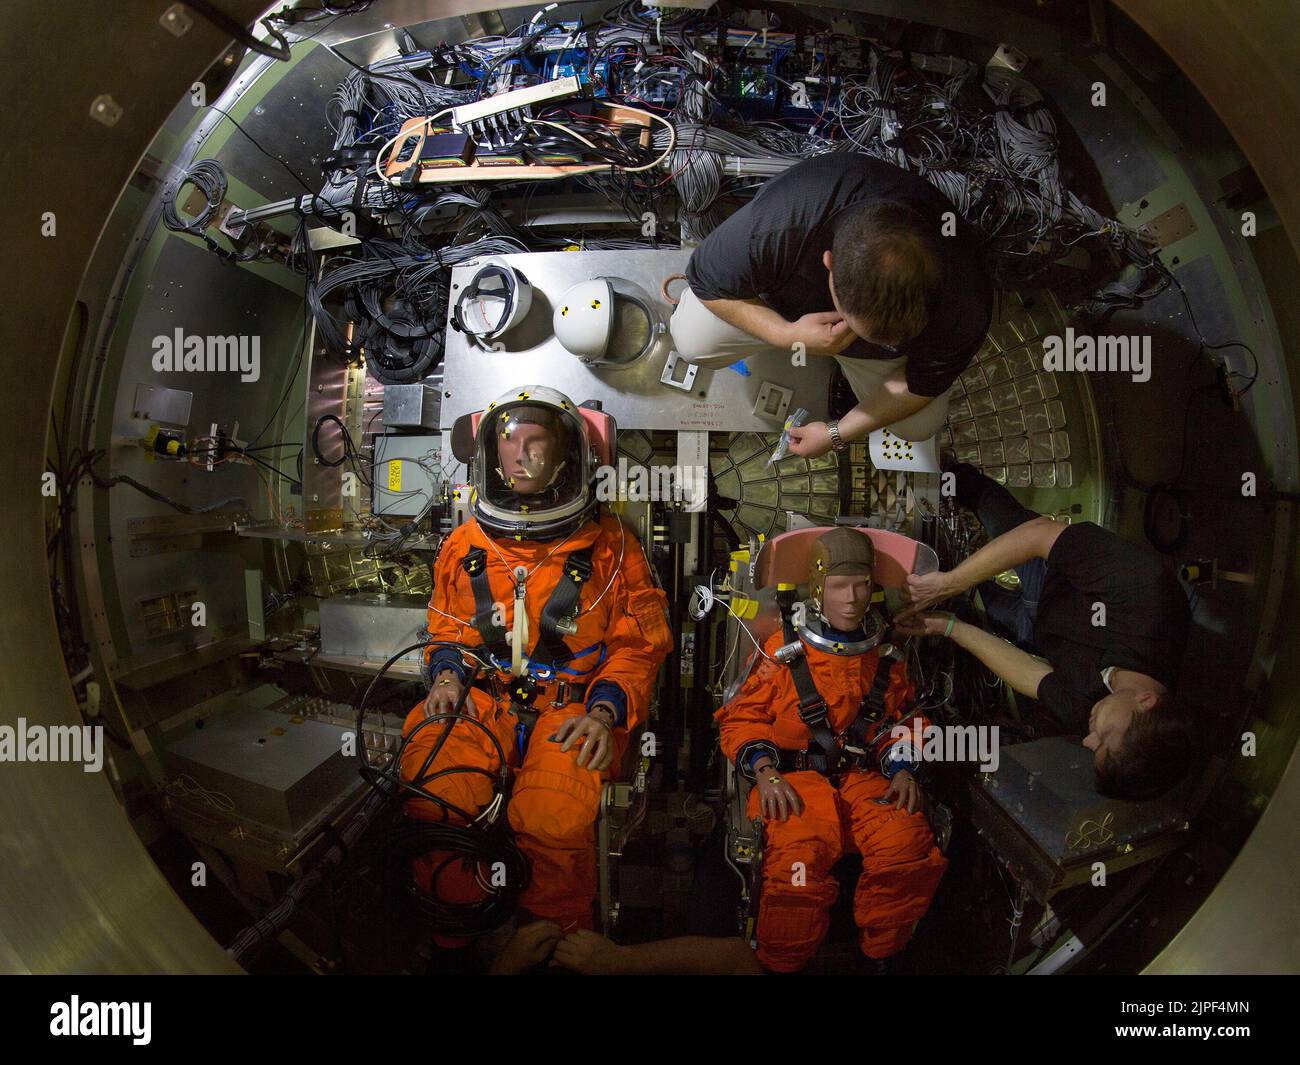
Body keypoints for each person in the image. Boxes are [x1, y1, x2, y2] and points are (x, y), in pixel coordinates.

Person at [398, 386, 673, 933]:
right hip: (482, 701)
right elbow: (447, 629)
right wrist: (448, 676)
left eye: (536, 441)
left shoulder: (613, 548)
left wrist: (604, 714)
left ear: (567, 455)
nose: (520, 454)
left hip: (571, 712)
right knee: (435, 794)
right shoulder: (465, 544)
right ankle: (457, 935)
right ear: (488, 455)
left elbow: (637, 649)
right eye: (508, 442)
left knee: (554, 816)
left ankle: (550, 945)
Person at [715, 527, 947, 972]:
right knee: (799, 857)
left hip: (864, 780)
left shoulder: (887, 657)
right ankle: (781, 962)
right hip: (793, 779)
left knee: (906, 842)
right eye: (840, 586)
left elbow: (904, 721)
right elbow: (742, 718)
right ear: (818, 589)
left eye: (862, 585)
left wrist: (903, 769)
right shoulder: (779, 652)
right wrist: (764, 771)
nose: (853, 597)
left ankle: (884, 957)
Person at [895, 462, 1194, 800]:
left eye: (1092, 748)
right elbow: (1040, 535)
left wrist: (949, 626)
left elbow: (1033, 675)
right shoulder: (1151, 601)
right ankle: (924, 463)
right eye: (1103, 737)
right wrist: (948, 584)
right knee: (982, 500)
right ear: (1146, 701)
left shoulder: (1105, 710)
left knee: (956, 598)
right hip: (1048, 567)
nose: (1087, 738)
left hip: (1037, 631)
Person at [672, 154, 992, 451]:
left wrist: (835, 433)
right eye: (852, 324)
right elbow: (703, 279)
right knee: (692, 340)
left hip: (867, 354)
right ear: (829, 261)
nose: (843, 333)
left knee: (920, 426)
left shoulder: (968, 298)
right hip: (782, 307)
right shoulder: (781, 223)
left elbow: (921, 384)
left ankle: (853, 360)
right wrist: (787, 335)